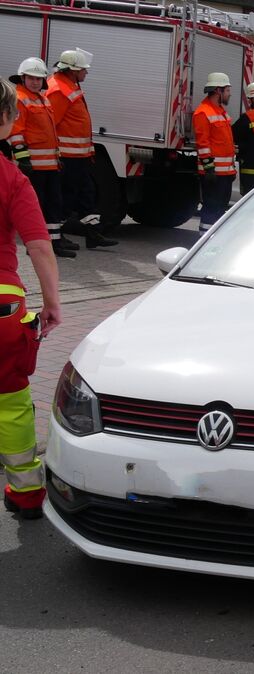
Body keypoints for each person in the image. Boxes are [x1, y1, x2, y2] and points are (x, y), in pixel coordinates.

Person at [0, 79, 61, 520]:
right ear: (5, 120)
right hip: (2, 312)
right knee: (12, 405)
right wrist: (52, 302)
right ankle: (24, 495)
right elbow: (39, 246)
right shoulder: (12, 177)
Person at [46, 48, 117, 248]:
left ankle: (92, 233)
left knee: (87, 193)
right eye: (83, 69)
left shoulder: (69, 85)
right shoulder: (59, 90)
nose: (86, 72)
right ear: (72, 70)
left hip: (79, 156)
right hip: (67, 157)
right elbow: (51, 125)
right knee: (66, 197)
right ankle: (55, 237)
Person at [9, 57, 76, 258]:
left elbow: (50, 133)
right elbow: (16, 131)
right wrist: (23, 159)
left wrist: (57, 157)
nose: (36, 82)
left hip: (50, 165)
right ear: (22, 78)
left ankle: (53, 242)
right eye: (31, 78)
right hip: (35, 167)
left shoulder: (43, 98)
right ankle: (35, 245)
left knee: (54, 204)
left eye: (39, 79)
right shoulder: (20, 98)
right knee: (37, 206)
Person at [192, 72, 236, 231]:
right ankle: (203, 240)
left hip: (224, 174)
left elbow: (225, 144)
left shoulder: (220, 112)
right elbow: (202, 143)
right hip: (213, 174)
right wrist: (209, 168)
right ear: (218, 90)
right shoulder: (203, 112)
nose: (230, 93)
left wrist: (231, 169)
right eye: (228, 90)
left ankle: (213, 240)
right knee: (211, 209)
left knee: (220, 210)